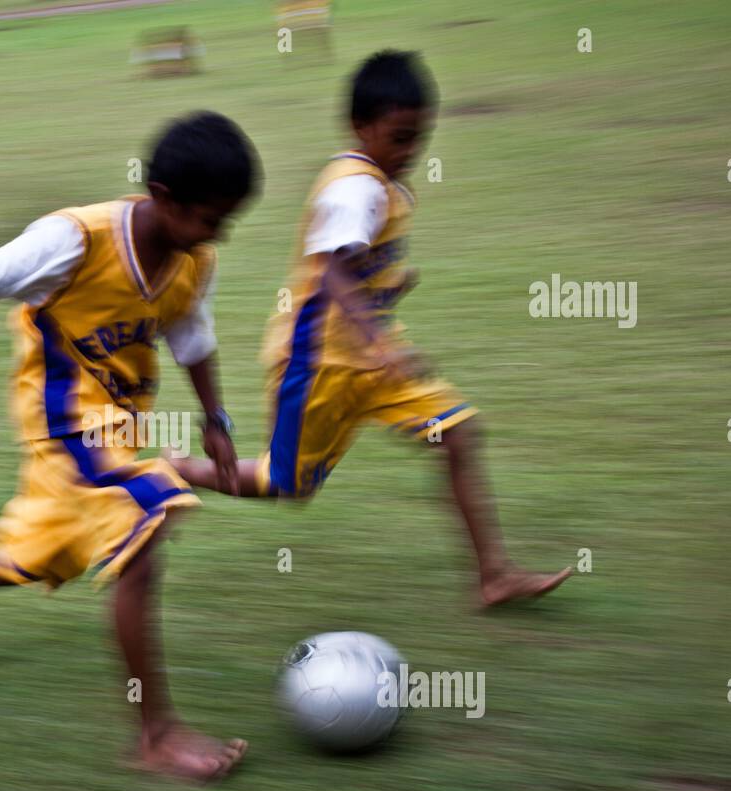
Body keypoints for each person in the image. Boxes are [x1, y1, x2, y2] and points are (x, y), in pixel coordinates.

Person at [0, 112, 260, 782]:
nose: (220, 236)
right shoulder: (73, 240)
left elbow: (192, 338)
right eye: (212, 219)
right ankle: (155, 736)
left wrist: (217, 420)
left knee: (50, 552)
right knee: (147, 519)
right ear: (164, 195)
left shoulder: (190, 261)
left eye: (229, 221)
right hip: (61, 423)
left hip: (117, 428)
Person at [173, 52, 571, 607]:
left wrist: (388, 293)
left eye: (420, 138)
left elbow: (355, 269)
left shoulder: (383, 185)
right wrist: (381, 339)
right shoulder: (352, 188)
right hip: (318, 365)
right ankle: (175, 469)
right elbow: (335, 269)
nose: (412, 152)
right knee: (286, 484)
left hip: (376, 361)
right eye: (400, 137)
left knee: (458, 432)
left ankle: (494, 575)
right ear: (361, 127)